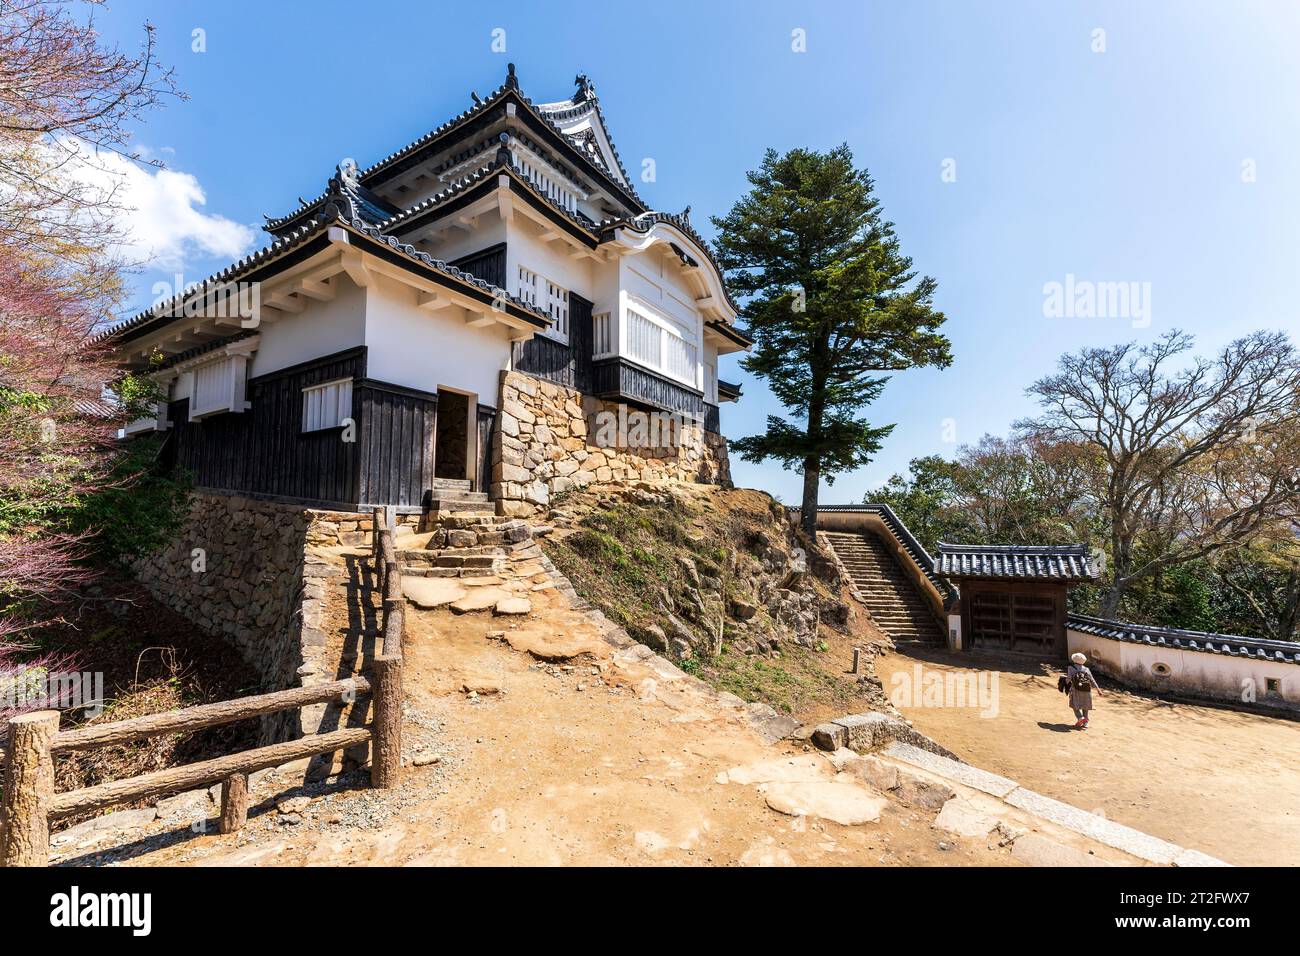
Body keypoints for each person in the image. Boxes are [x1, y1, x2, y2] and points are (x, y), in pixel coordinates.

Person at [1066, 652, 1101, 729]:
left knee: (1075, 705)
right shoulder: (1086, 669)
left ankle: (1080, 718)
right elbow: (1092, 679)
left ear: (1074, 659)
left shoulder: (1070, 668)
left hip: (1076, 690)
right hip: (1087, 690)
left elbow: (1068, 678)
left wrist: (1065, 682)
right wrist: (1098, 689)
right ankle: (1086, 723)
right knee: (1085, 706)